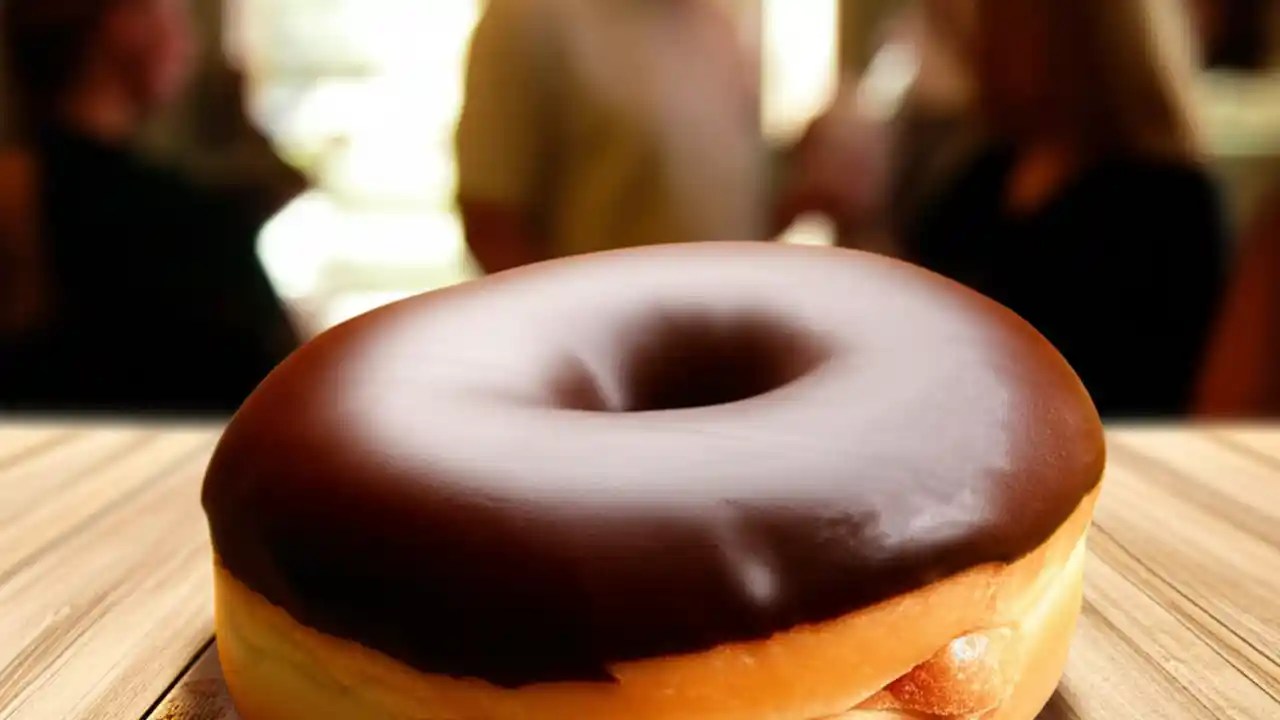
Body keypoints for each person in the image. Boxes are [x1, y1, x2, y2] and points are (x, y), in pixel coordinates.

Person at [905, 0, 1226, 418]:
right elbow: (911, 308)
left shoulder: (1169, 201)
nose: (989, 44)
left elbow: (1152, 386)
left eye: (1017, 25)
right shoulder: (989, 171)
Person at [0, 0, 301, 415]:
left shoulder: (21, 192)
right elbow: (273, 402)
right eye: (173, 15)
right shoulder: (182, 224)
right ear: (124, 26)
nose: (187, 45)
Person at [455, 0, 767, 274]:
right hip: (597, 334)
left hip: (720, 332)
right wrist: (573, 333)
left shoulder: (717, 22)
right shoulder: (527, 14)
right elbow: (491, 223)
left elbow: (726, 212)